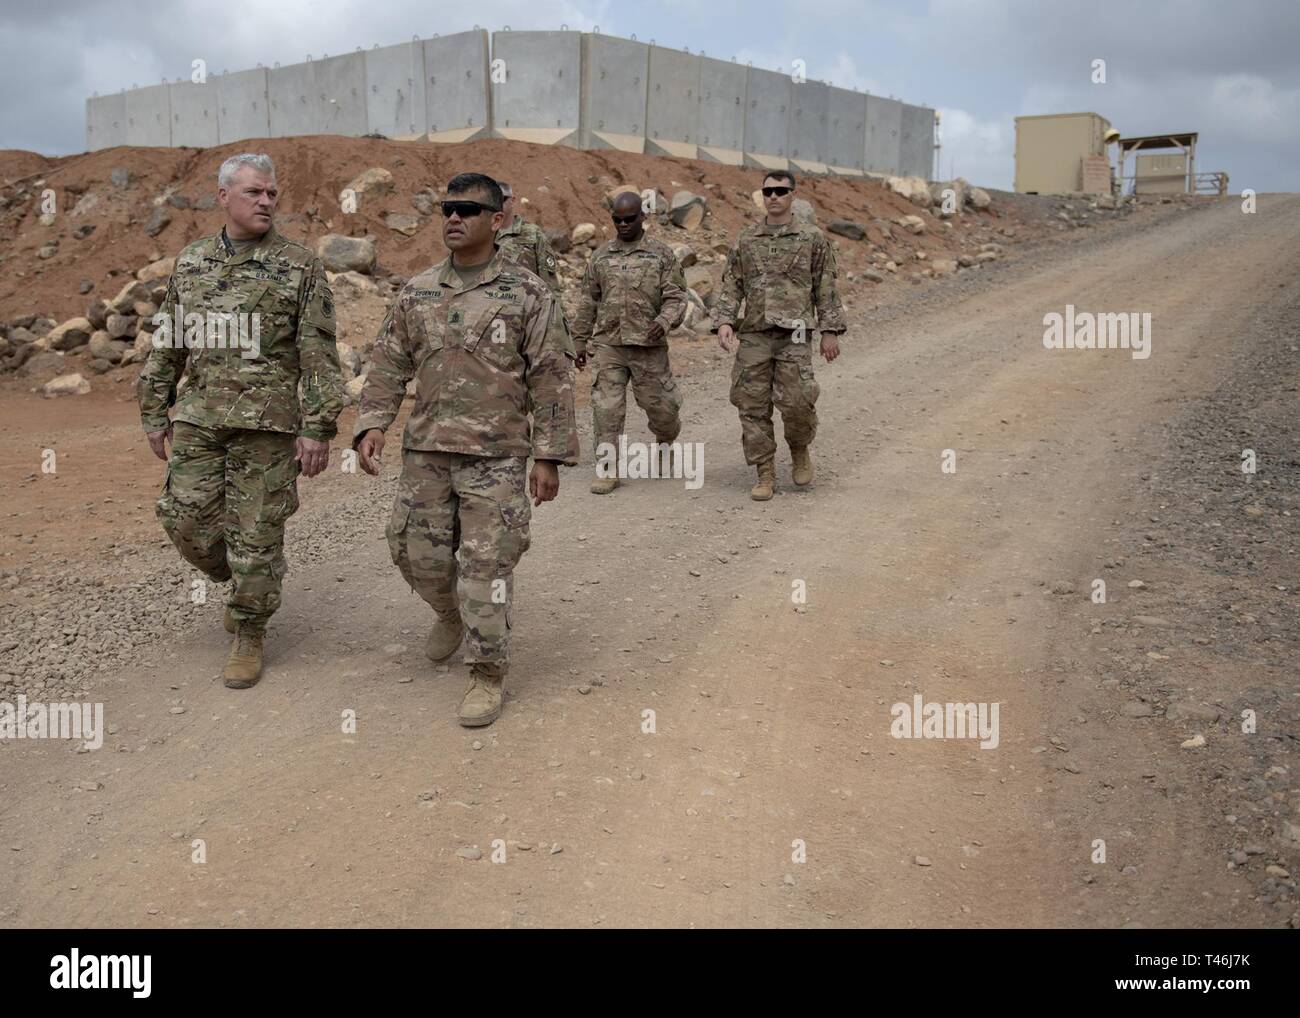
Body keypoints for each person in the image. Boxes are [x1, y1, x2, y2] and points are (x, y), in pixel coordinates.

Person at [354, 173, 578, 727]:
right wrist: (372, 423)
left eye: (468, 210)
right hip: (426, 450)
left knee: (486, 565)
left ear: (496, 220)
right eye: (448, 209)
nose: (454, 218)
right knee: (413, 553)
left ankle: (486, 672)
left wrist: (548, 456)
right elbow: (387, 361)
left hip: (497, 456)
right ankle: (448, 613)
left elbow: (552, 377)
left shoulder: (528, 293)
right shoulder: (419, 290)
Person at [137, 152, 342, 688]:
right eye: (254, 193)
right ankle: (246, 580)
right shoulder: (193, 261)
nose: (266, 202)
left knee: (256, 535)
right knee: (184, 521)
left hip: (268, 426)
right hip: (200, 419)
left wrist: (318, 426)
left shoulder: (300, 265)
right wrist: (154, 410)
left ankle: (249, 628)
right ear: (223, 196)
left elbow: (318, 352)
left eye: (272, 193)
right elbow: (169, 341)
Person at [572, 190, 687, 494]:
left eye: (629, 219)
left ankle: (666, 441)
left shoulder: (661, 255)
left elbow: (676, 298)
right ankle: (608, 469)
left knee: (661, 408)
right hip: (610, 344)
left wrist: (663, 322)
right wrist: (579, 342)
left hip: (648, 345)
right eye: (617, 220)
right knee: (606, 407)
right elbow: (588, 301)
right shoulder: (600, 257)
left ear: (642, 217)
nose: (623, 225)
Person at [493, 181, 562, 296]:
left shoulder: (532, 234)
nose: (495, 205)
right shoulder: (482, 234)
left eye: (501, 200)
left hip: (524, 307)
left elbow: (549, 283)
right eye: (491, 201)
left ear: (512, 201)